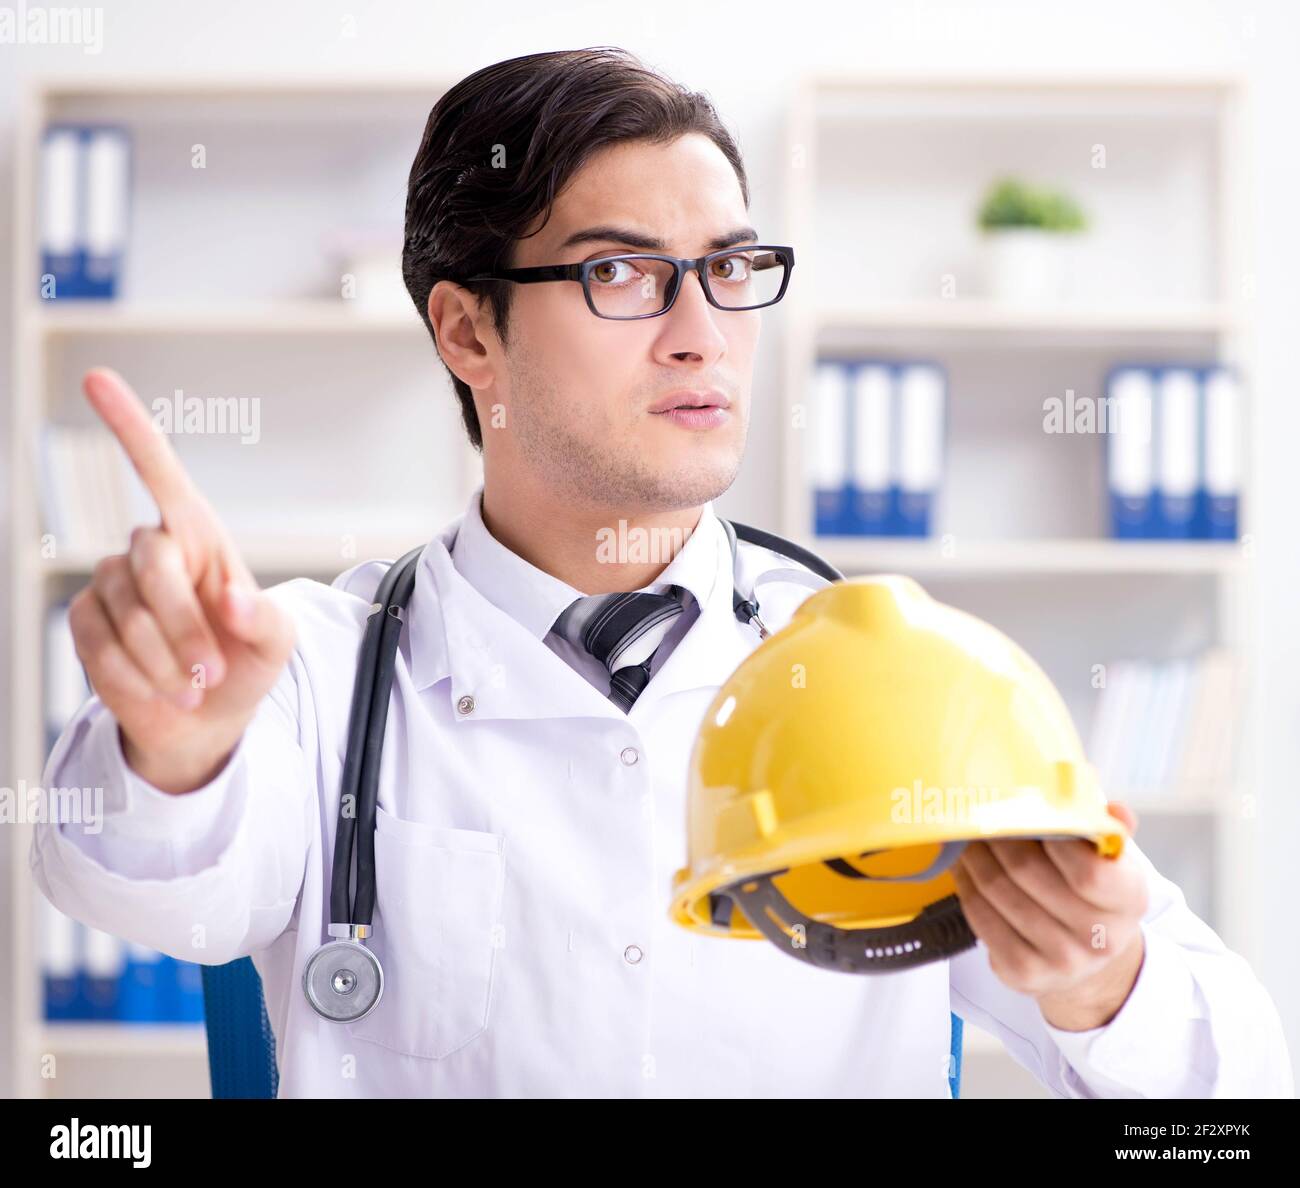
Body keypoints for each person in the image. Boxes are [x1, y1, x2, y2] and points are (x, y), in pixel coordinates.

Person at [32, 46, 1293, 1098]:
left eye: (731, 269)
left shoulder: (907, 684)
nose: (704, 334)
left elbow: (1227, 1100)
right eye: (620, 273)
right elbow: (134, 888)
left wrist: (1098, 980)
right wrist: (173, 751)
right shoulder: (313, 670)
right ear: (469, 330)